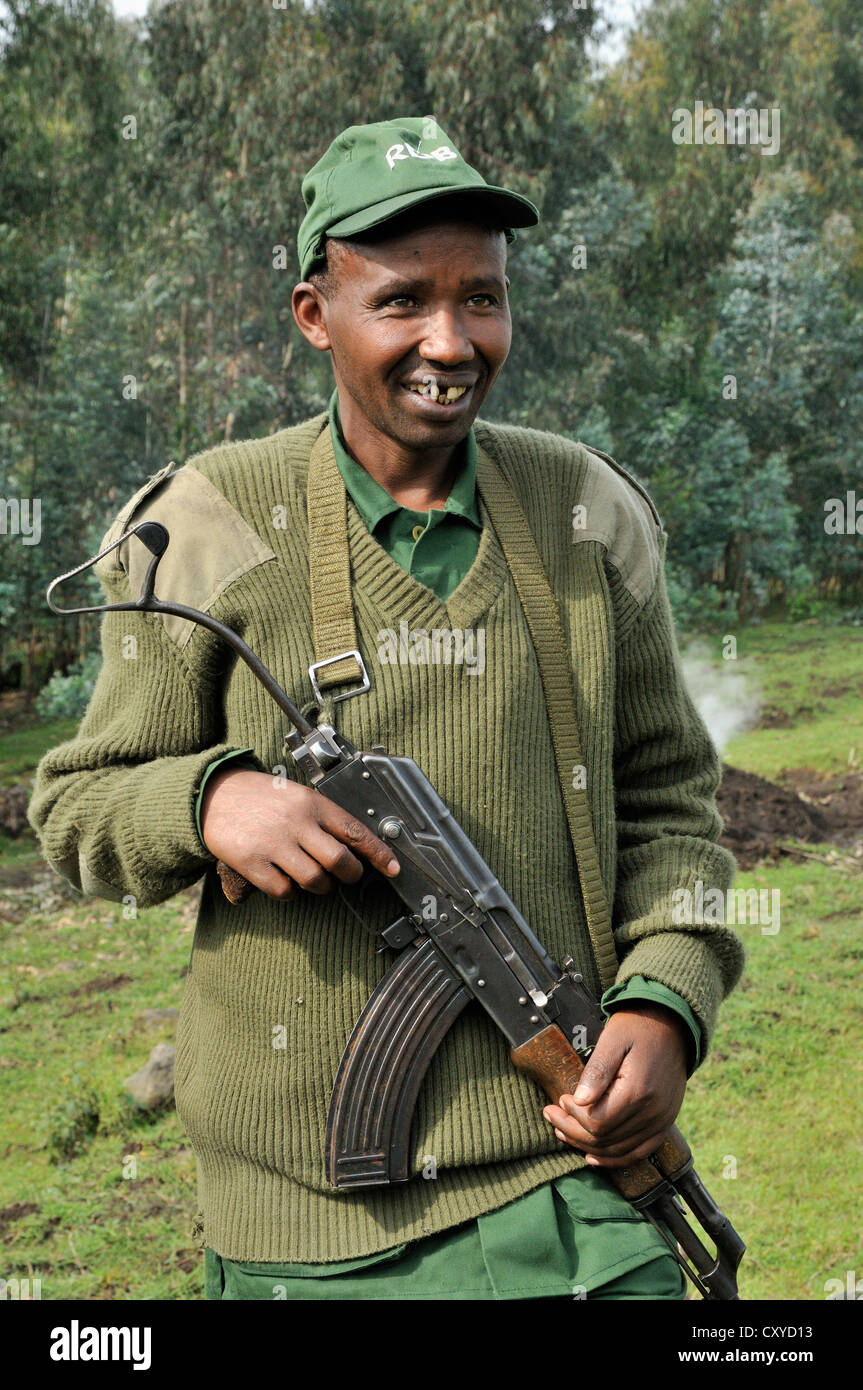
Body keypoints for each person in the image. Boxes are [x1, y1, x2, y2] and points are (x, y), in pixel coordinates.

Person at [29, 116, 744, 1301]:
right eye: (402, 301)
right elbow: (74, 807)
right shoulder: (212, 521)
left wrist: (668, 999)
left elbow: (673, 806)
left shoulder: (587, 514)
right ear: (315, 313)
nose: (450, 342)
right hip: (311, 1230)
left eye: (482, 299)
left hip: (575, 1184)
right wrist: (211, 801)